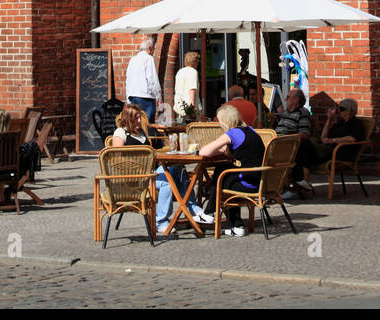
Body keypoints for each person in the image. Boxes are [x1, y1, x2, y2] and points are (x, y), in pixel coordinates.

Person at [110, 104, 210, 235]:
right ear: (128, 119)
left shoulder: (141, 133)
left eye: (140, 117)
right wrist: (138, 167)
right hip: (135, 178)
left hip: (151, 172)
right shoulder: (121, 133)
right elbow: (117, 159)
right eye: (136, 118)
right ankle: (160, 221)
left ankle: (193, 209)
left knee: (179, 169)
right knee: (166, 183)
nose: (140, 120)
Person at [199, 104, 265, 237]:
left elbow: (203, 151)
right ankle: (236, 225)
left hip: (248, 184)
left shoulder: (233, 133)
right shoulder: (250, 130)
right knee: (224, 171)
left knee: (222, 177)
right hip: (260, 181)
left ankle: (209, 213)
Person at [291, 97, 365, 194]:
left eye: (342, 109)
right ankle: (302, 180)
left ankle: (304, 177)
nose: (339, 111)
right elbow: (323, 137)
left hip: (338, 153)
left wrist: (332, 140)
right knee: (300, 147)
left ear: (350, 111)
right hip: (327, 150)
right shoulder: (340, 123)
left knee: (303, 145)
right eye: (339, 108)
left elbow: (352, 138)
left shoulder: (355, 123)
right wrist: (329, 120)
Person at [273, 88, 314, 195]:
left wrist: (286, 138)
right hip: (278, 143)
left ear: (296, 100)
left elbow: (304, 134)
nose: (286, 100)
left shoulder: (302, 112)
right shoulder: (287, 112)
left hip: (288, 146)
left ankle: (282, 188)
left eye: (288, 97)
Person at [125, 38, 163, 122]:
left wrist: (128, 98)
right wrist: (159, 97)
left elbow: (128, 80)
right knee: (147, 125)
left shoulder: (132, 60)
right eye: (153, 49)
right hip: (146, 97)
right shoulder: (149, 58)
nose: (153, 51)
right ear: (149, 48)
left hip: (133, 96)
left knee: (135, 123)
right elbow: (152, 79)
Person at [172, 50, 201, 119]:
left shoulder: (180, 72)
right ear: (194, 62)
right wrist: (192, 107)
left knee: (181, 127)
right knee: (192, 128)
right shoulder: (193, 72)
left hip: (179, 106)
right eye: (197, 62)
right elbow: (192, 89)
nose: (198, 64)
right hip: (188, 108)